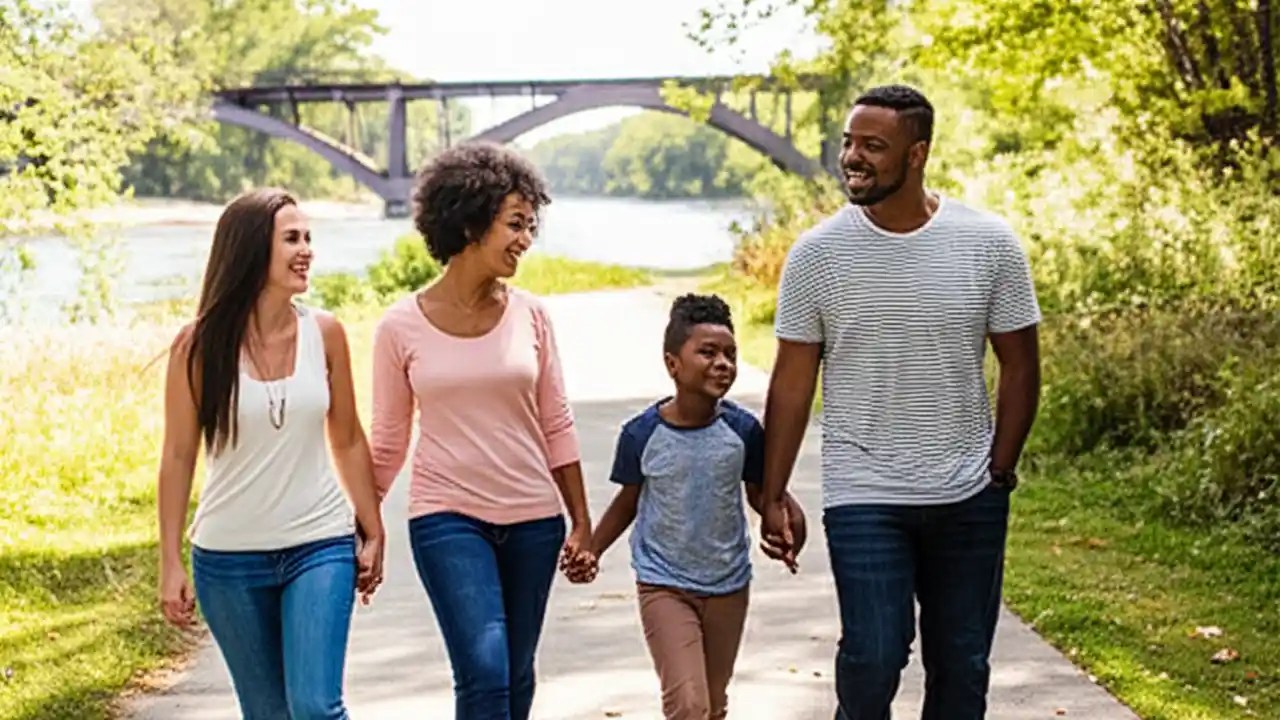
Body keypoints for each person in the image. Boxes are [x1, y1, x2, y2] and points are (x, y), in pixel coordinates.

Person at [758, 85, 1043, 719]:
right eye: (848, 143)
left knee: (963, 666)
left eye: (872, 146)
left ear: (917, 155)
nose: (852, 158)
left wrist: (997, 470)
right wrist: (771, 492)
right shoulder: (816, 255)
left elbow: (1021, 364)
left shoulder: (988, 243)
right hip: (865, 489)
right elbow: (791, 383)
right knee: (873, 655)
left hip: (968, 492)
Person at [369, 141, 594, 720]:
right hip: (447, 516)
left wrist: (582, 523)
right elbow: (389, 440)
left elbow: (556, 422)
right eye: (515, 224)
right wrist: (365, 525)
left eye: (530, 226)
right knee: (485, 670)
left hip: (534, 522)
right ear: (470, 221)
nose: (526, 239)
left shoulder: (533, 315)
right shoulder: (399, 326)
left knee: (516, 679)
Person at [156, 187, 386, 720]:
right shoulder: (197, 346)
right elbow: (177, 456)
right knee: (267, 714)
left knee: (315, 708)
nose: (306, 249)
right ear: (251, 249)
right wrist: (170, 561)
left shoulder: (325, 333)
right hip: (228, 556)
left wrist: (372, 526)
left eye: (308, 238)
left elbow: (348, 437)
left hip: (318, 543)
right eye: (292, 238)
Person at [575, 293, 807, 720]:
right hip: (664, 584)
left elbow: (763, 495)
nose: (723, 363)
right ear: (672, 363)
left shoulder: (742, 431)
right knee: (688, 704)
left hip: (728, 584)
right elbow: (628, 502)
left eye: (731, 354)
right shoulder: (641, 434)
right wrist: (591, 548)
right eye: (708, 352)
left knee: (713, 705)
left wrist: (790, 521)